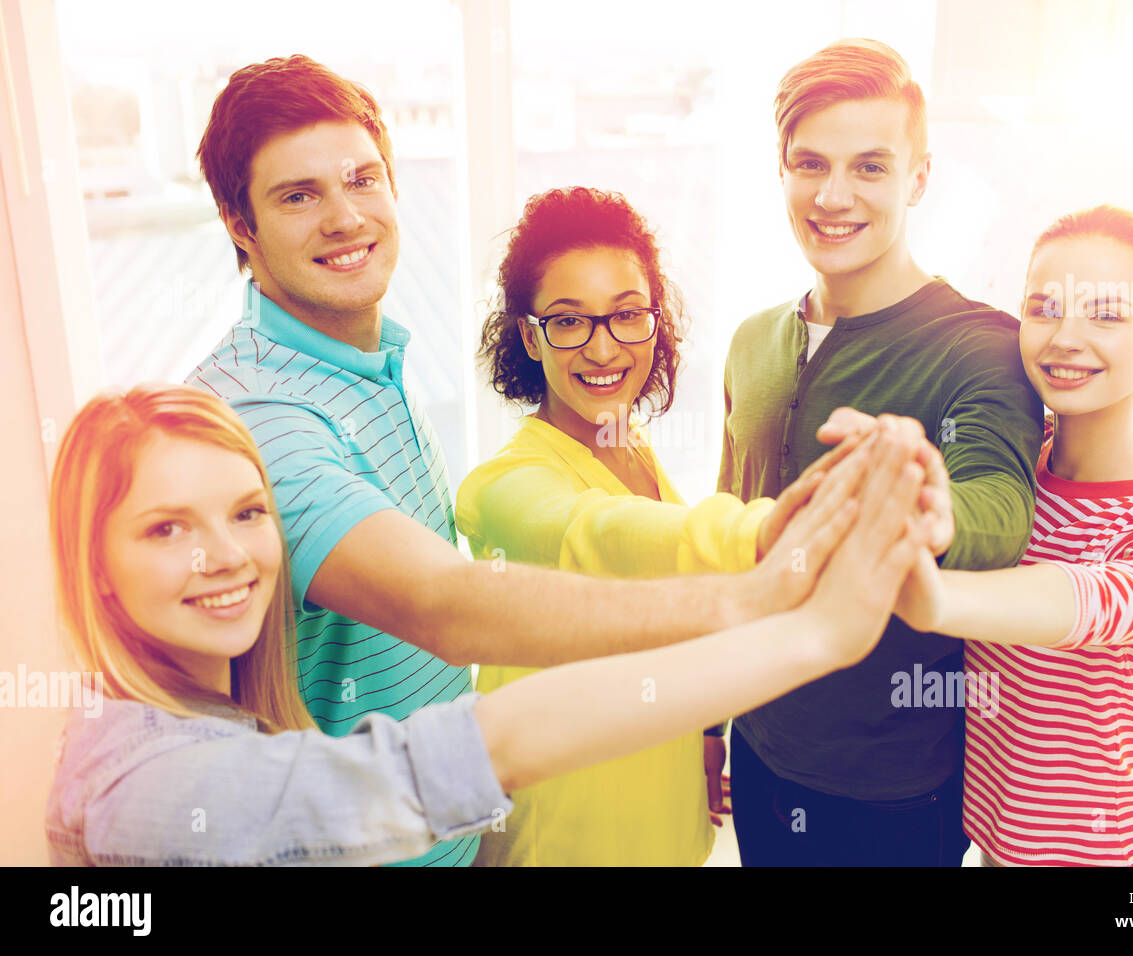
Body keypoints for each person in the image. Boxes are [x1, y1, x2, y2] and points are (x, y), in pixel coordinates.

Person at [184, 55, 854, 866]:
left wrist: (707, 724)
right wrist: (756, 566)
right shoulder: (258, 419)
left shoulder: (368, 367)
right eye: (298, 194)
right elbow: (451, 602)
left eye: (362, 180)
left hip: (448, 831)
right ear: (238, 223)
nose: (343, 218)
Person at [44, 384, 926, 866]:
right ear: (96, 572)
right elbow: (471, 748)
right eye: (166, 529)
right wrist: (790, 619)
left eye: (246, 513)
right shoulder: (142, 794)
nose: (225, 557)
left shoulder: (198, 714)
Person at [717, 38, 1044, 866]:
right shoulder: (754, 340)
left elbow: (997, 506)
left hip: (894, 785)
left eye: (870, 167)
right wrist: (709, 722)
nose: (833, 196)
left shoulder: (982, 349)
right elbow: (726, 533)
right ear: (782, 170)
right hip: (759, 740)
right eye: (810, 164)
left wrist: (933, 505)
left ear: (918, 178)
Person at [458, 186, 844, 865]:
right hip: (567, 836)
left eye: (627, 315)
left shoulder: (630, 442)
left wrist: (703, 728)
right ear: (529, 334)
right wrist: (767, 530)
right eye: (570, 321)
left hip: (659, 827)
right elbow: (600, 530)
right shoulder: (503, 487)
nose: (603, 349)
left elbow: (664, 611)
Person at [878, 206, 1133, 866]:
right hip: (1000, 848)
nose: (1066, 338)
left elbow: (1087, 602)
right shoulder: (1007, 478)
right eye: (1044, 308)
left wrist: (930, 592)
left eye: (1104, 313)